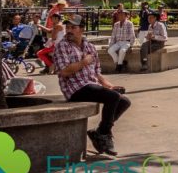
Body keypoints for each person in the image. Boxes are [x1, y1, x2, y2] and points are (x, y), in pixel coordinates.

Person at [53, 15, 130, 156]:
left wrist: (108, 85)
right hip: (75, 89)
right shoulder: (62, 46)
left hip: (91, 85)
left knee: (124, 101)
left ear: (82, 29)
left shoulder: (90, 47)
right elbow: (64, 72)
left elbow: (96, 72)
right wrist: (83, 62)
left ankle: (99, 131)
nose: (69, 30)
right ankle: (104, 135)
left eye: (73, 28)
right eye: (67, 28)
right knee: (112, 98)